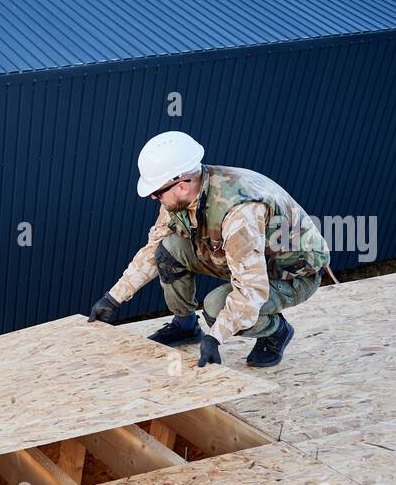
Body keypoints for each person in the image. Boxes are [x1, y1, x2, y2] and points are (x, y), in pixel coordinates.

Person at [89, 131, 329, 368]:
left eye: (157, 192)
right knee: (167, 250)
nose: (153, 197)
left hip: (291, 274)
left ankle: (276, 332)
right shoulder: (182, 196)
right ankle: (185, 326)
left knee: (215, 307)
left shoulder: (239, 213)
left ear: (182, 185)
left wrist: (216, 337)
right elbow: (152, 250)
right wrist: (113, 299)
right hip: (251, 258)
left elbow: (251, 287)